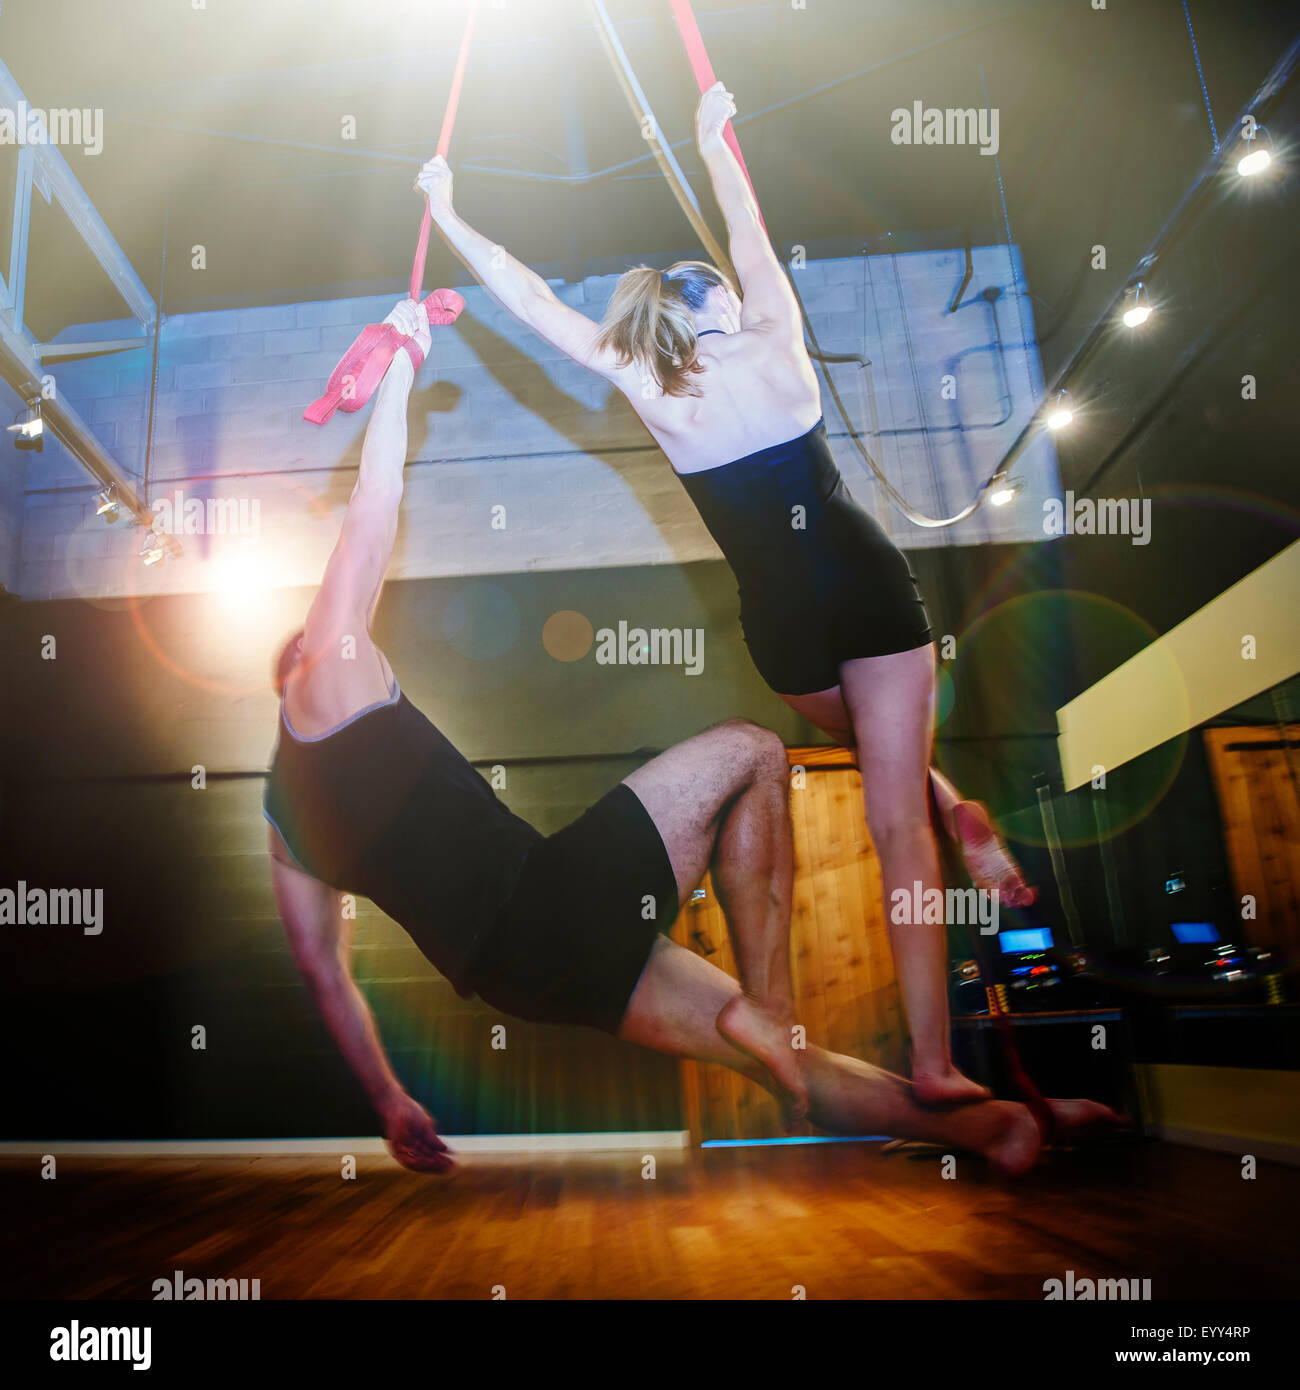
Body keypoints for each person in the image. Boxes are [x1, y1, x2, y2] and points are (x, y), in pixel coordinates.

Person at [264, 299, 1113, 1173]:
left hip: (524, 978)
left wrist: (388, 1098)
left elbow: (324, 973)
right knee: (754, 751)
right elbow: (374, 504)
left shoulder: (281, 820)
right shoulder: (328, 669)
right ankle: (772, 1002)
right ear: (303, 662)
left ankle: (1000, 1129)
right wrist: (403, 358)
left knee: (776, 1065)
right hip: (542, 899)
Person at [416, 82, 1034, 1106]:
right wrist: (712, 136)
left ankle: (940, 826)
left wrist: (450, 216)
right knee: (897, 822)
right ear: (717, 300)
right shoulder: (774, 340)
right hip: (871, 595)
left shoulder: (650, 382)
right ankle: (933, 1055)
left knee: (871, 759)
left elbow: (530, 301)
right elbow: (746, 223)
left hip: (781, 625)